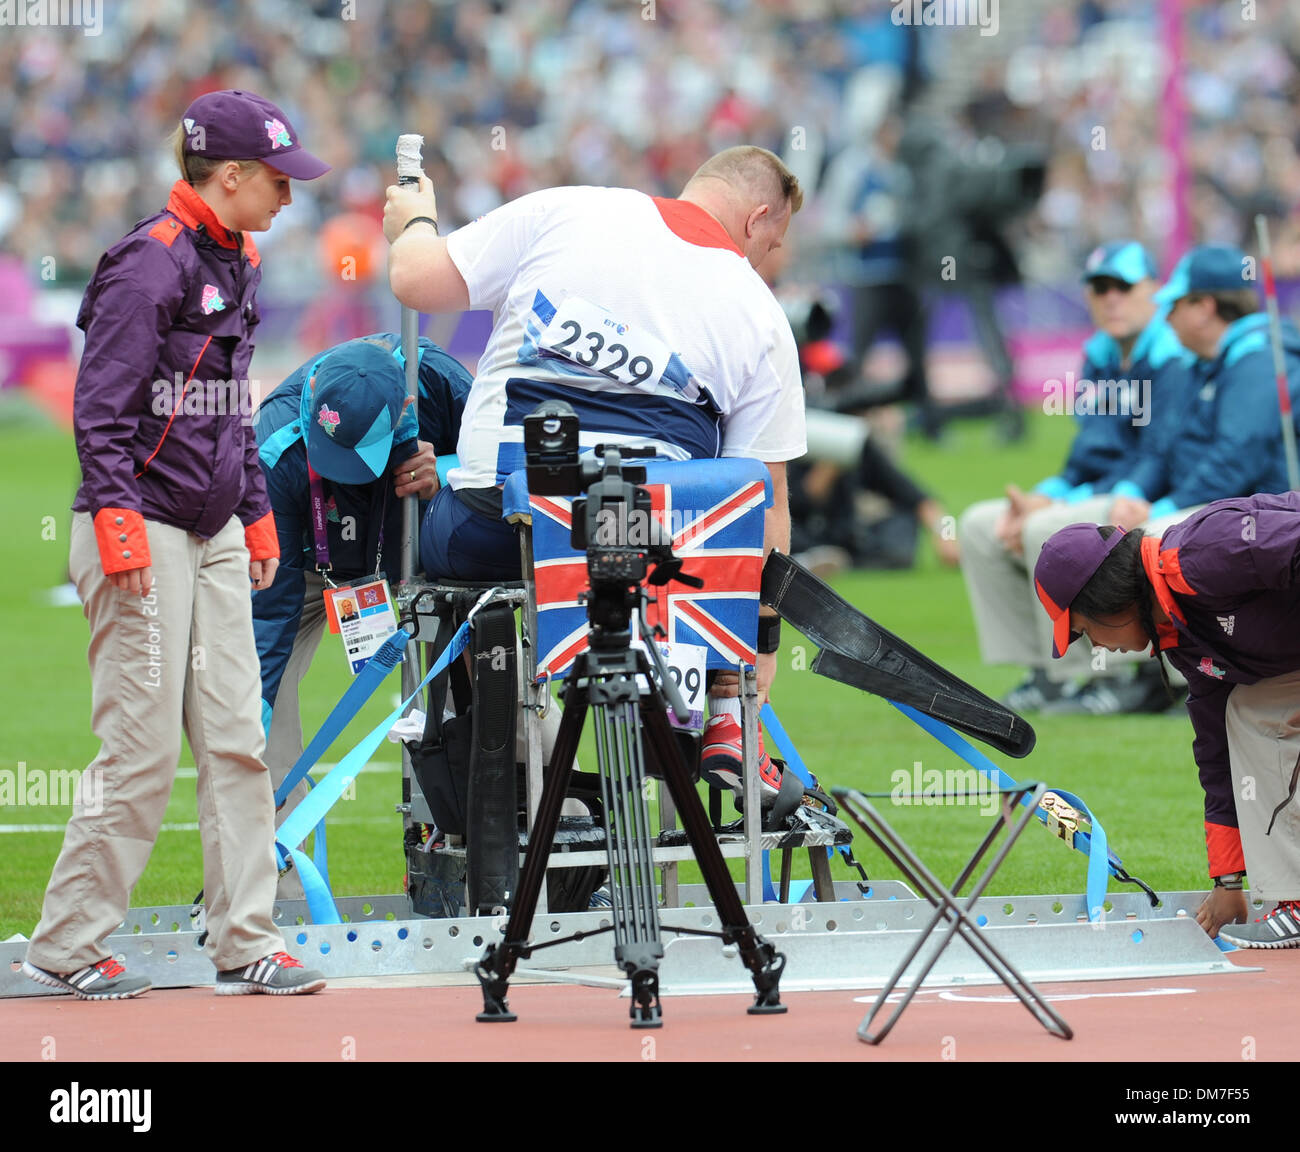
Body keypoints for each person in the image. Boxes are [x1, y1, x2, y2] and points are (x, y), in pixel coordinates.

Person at [23, 90, 330, 999]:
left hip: (212, 529)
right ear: (228, 176)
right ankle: (67, 943)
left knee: (240, 738)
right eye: (277, 180)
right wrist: (117, 523)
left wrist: (255, 511)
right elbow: (100, 412)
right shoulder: (148, 266)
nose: (288, 197)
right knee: (144, 747)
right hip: (142, 527)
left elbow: (231, 403)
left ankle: (247, 939)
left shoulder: (238, 262)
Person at [383, 147, 807, 789]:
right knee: (685, 554)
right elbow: (765, 505)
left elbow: (415, 281)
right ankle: (698, 727)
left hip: (496, 529)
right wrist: (756, 649)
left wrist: (415, 220)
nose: (765, 262)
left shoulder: (567, 208)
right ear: (758, 217)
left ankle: (496, 744)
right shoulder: (762, 312)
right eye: (771, 246)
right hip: (642, 553)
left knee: (443, 546)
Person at [250, 333, 469, 894]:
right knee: (252, 705)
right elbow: (269, 612)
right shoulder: (275, 441)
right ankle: (275, 892)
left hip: (422, 560)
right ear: (314, 396)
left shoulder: (439, 382)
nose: (341, 471)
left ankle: (501, 862)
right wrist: (259, 706)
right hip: (300, 574)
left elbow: (511, 461)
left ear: (402, 416)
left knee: (493, 681)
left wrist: (446, 466)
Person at [1033, 495, 1300, 947]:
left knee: (1257, 711)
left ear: (1104, 597)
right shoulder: (1185, 641)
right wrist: (1229, 881)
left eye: (1083, 631)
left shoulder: (1203, 554)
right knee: (1248, 710)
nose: (1096, 647)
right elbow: (1218, 757)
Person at [959, 242, 1194, 713]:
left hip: (1157, 495)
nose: (1111, 298)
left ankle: (1087, 675)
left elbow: (1162, 454)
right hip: (1110, 490)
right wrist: (1046, 495)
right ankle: (1044, 672)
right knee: (979, 523)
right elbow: (1090, 451)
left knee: (1047, 530)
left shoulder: (1174, 356)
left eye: (1124, 287)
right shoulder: (1101, 354)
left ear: (1154, 291)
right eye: (1100, 287)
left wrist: (1094, 499)